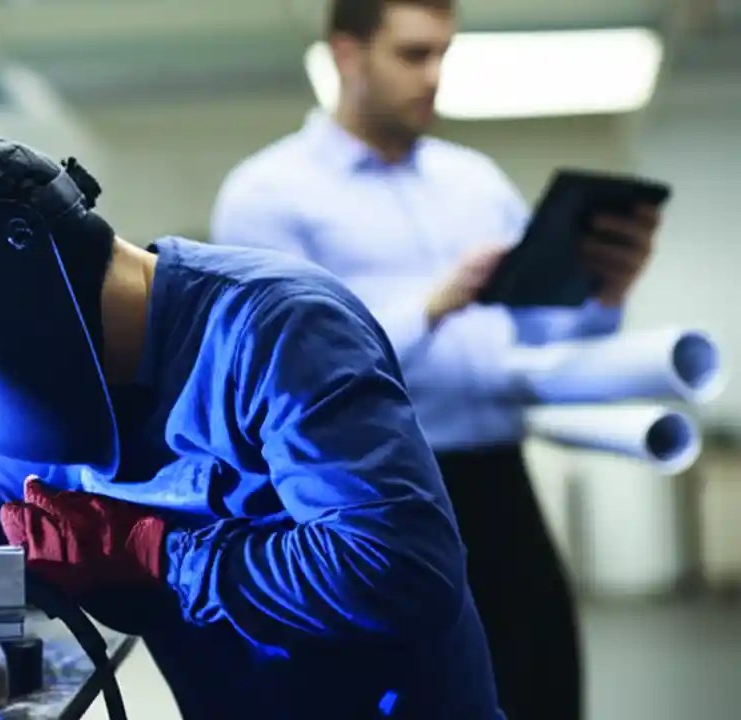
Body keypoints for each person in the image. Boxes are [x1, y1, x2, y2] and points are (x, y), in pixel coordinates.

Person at [0, 137, 504, 718]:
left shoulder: (279, 330)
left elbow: (399, 570)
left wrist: (156, 555)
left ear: (24, 324)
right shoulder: (71, 389)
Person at [209, 2, 661, 718]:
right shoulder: (267, 196)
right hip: (371, 503)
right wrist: (431, 305)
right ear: (348, 55)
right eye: (413, 54)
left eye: (444, 54)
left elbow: (540, 336)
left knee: (543, 690)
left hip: (501, 484)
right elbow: (280, 369)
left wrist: (603, 291)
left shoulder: (474, 181)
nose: (434, 76)